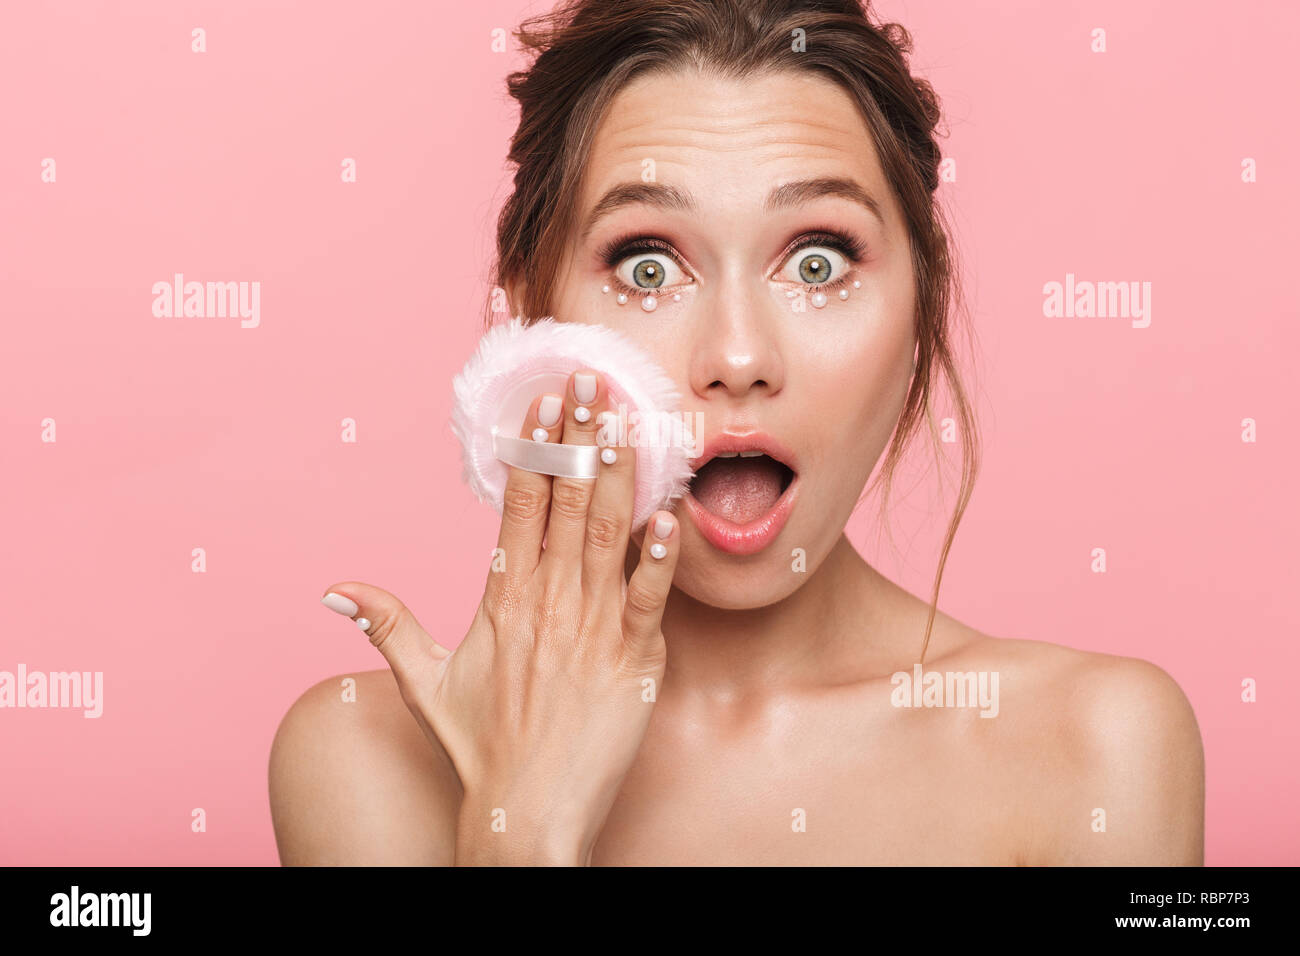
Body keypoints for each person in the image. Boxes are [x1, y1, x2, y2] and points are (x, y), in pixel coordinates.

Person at [269, 0, 1204, 865]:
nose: (738, 355)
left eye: (817, 259)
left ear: (923, 301)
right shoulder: (365, 758)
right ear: (529, 320)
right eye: (646, 268)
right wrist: (522, 820)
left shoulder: (1100, 747)